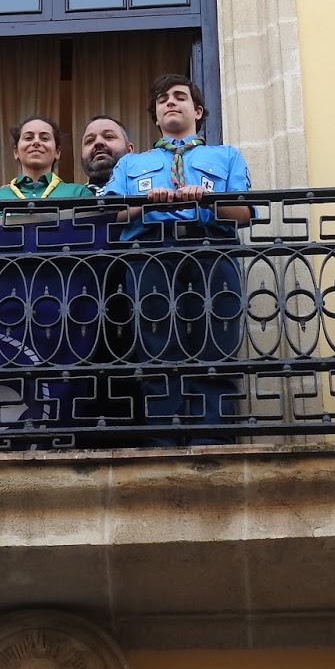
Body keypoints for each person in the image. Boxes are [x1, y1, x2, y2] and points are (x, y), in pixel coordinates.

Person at [102, 74, 252, 439]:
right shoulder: (130, 164)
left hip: (212, 251)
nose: (171, 102)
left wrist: (207, 199)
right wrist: (142, 203)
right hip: (150, 252)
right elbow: (110, 214)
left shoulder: (227, 155)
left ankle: (212, 435)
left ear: (197, 111)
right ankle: (163, 435)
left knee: (217, 341)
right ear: (155, 116)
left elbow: (245, 213)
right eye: (162, 99)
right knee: (155, 344)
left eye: (179, 97)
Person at [0, 116, 95, 202]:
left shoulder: (79, 194)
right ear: (16, 152)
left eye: (44, 138)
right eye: (28, 138)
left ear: (57, 152)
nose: (36, 142)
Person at [79, 115, 133, 190]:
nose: (98, 142)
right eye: (90, 140)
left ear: (129, 150)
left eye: (108, 136)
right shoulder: (72, 198)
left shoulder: (147, 192)